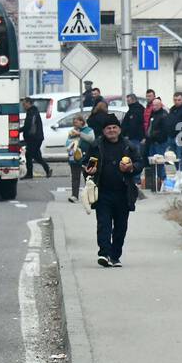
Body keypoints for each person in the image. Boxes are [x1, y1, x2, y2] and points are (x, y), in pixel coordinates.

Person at [83, 114, 144, 267]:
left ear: (119, 129)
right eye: (108, 128)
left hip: (124, 193)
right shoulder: (96, 146)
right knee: (104, 224)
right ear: (103, 131)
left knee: (120, 227)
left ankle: (115, 256)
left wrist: (131, 168)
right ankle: (104, 254)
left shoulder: (128, 146)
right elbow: (87, 166)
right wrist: (89, 171)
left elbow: (140, 163)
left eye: (114, 127)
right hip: (103, 192)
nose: (111, 130)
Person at [65, 113, 95, 203]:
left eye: (76, 122)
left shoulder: (89, 130)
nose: (74, 124)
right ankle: (74, 196)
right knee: (75, 177)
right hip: (74, 157)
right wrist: (70, 146)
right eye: (73, 122)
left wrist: (79, 134)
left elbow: (91, 139)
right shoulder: (72, 131)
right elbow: (68, 142)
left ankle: (91, 197)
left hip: (87, 157)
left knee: (89, 177)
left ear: (82, 122)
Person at [20, 97, 51, 178]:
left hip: (34, 138)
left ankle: (30, 174)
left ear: (29, 103)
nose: (23, 106)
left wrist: (20, 130)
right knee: (35, 155)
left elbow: (29, 125)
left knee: (30, 155)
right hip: (36, 137)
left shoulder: (32, 112)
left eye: (24, 104)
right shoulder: (32, 111)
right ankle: (46, 169)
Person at [144, 97, 170, 187]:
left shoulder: (163, 115)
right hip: (152, 142)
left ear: (160, 105)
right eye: (153, 105)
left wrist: (156, 135)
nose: (154, 107)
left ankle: (163, 179)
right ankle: (155, 180)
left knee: (160, 162)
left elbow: (165, 130)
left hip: (160, 142)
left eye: (156, 105)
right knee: (152, 162)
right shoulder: (153, 114)